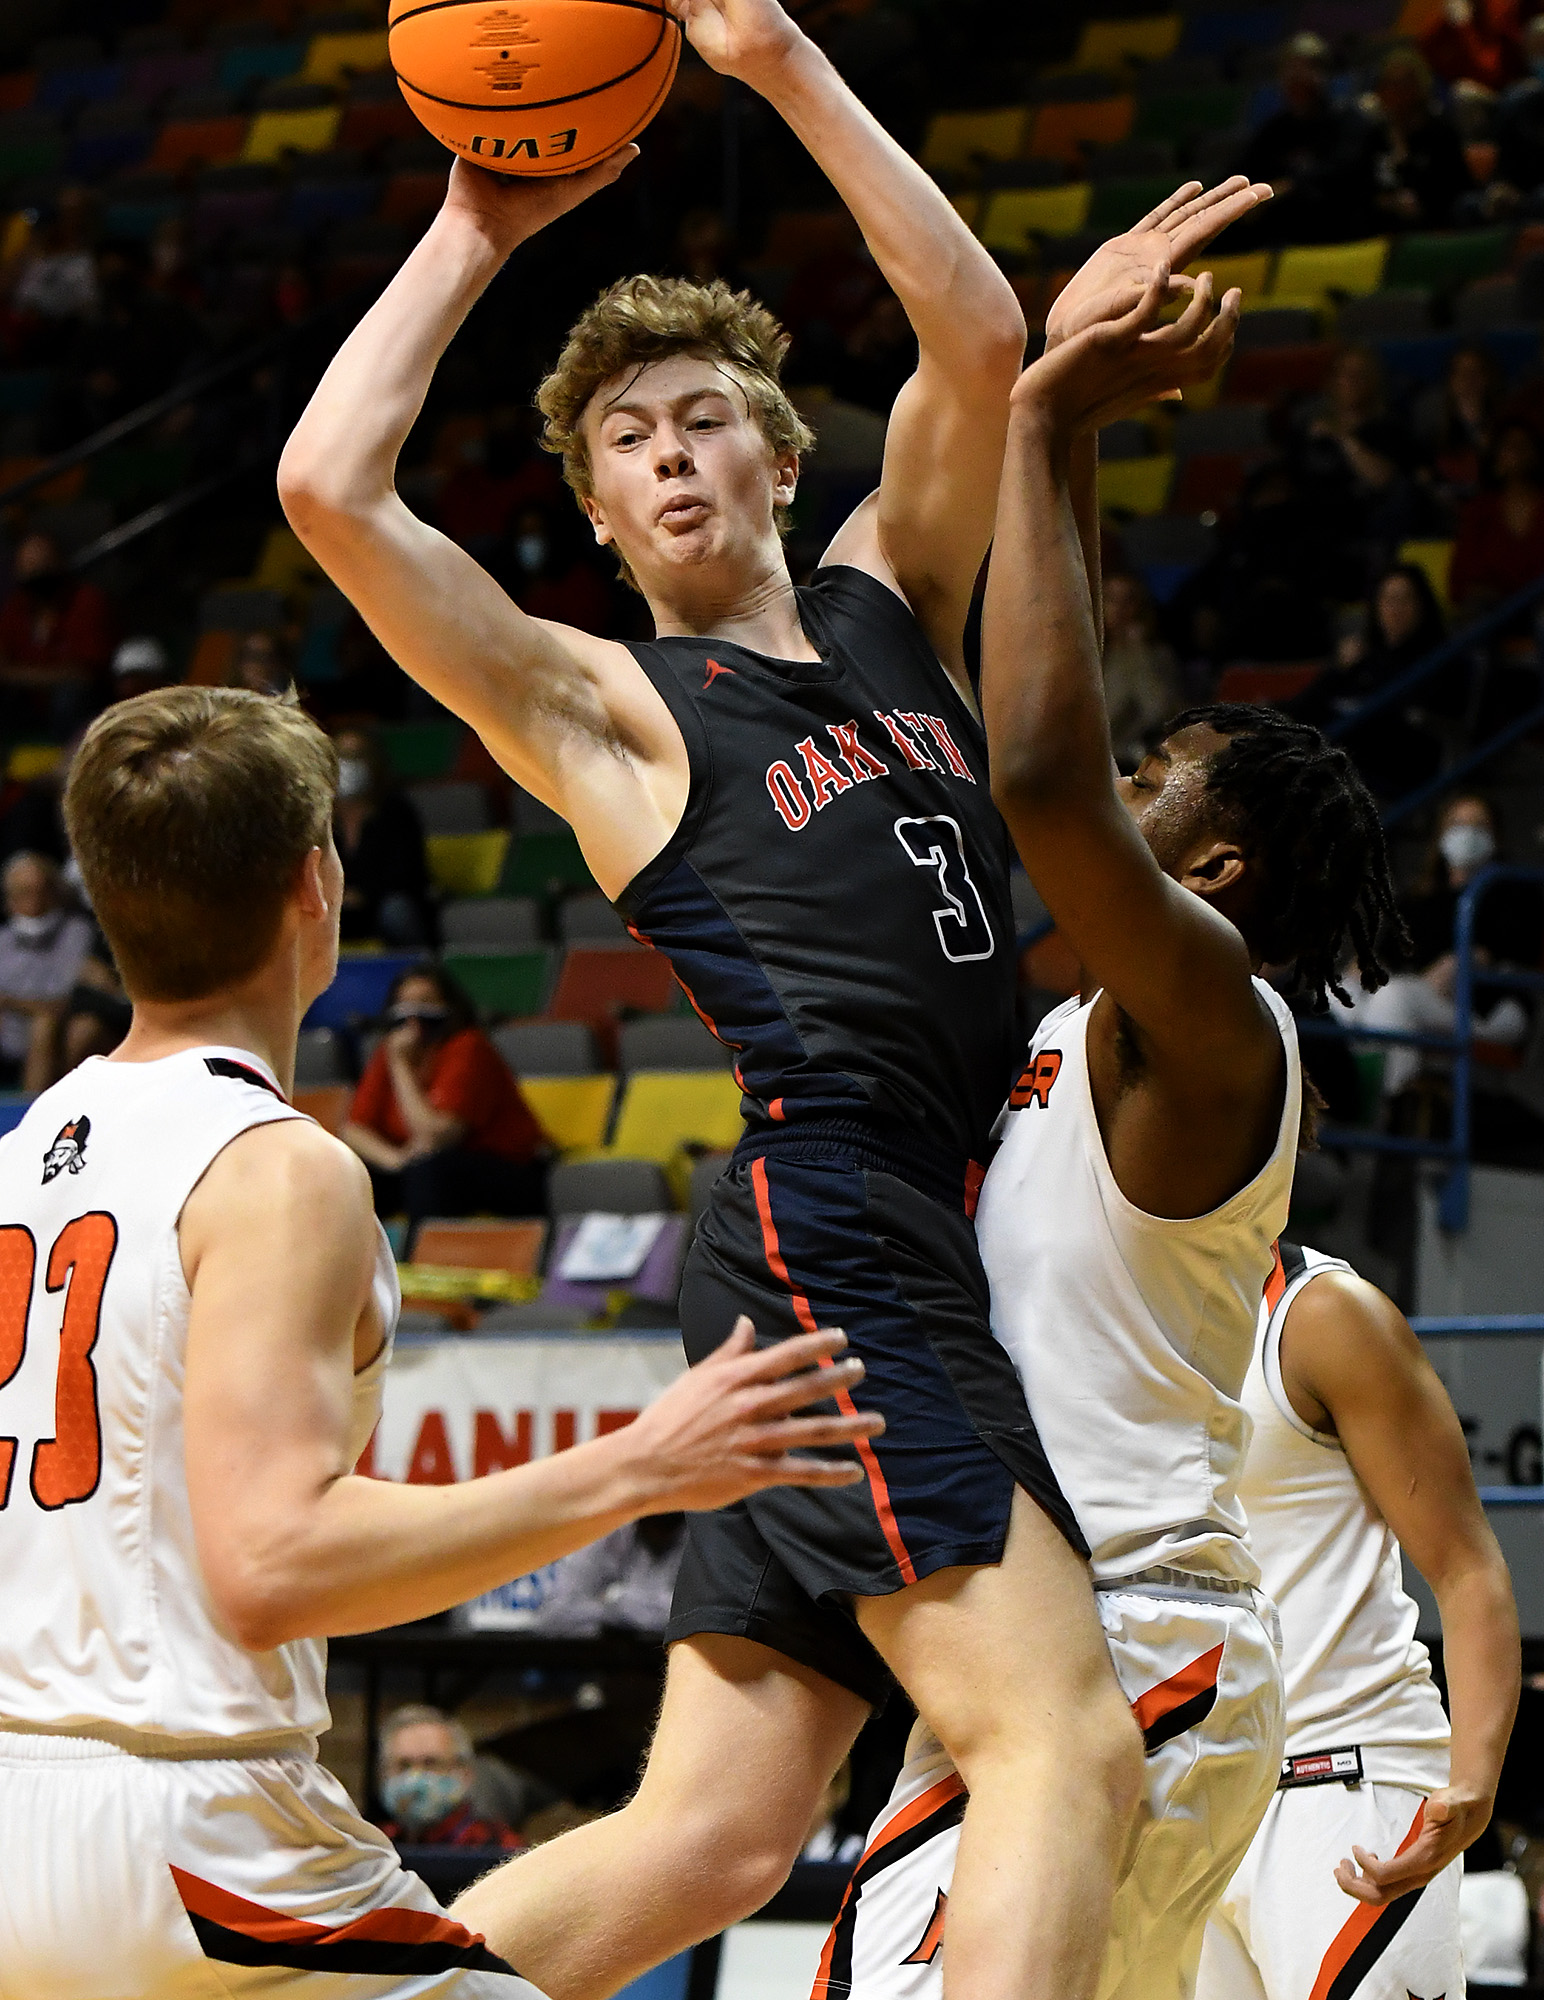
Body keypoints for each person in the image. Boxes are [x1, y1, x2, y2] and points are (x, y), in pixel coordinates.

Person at [276, 0, 1275, 1977]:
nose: (667, 451)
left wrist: (777, 57)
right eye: (624, 438)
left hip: (911, 1233)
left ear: (778, 454)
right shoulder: (610, 710)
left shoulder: (886, 592)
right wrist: (477, 225)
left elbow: (977, 340)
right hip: (836, 1232)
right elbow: (327, 488)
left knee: (714, 1837)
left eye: (701, 417)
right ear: (593, 508)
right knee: (1063, 1744)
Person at [0, 682, 881, 1996]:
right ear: (316, 883)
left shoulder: (24, 1155)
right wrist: (638, 1463)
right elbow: (273, 1562)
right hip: (183, 1833)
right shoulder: (275, 1167)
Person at [815, 276, 1412, 2000]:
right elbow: (1070, 735)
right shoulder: (1093, 1028)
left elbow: (1043, 774)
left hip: (1134, 1634)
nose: (1123, 778)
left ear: (1215, 874)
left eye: (1158, 776)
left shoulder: (1221, 1021)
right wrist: (1059, 412)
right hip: (1047, 1643)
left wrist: (1035, 419)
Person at [1197, 1242, 1519, 1999]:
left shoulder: (1323, 1313)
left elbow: (1467, 1567)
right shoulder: (1115, 1314)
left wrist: (1473, 1784)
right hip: (1190, 1805)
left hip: (1342, 1782)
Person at [343, 964, 550, 1236]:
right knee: (352, 1178)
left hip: (507, 1169)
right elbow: (354, 1130)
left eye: (426, 1002)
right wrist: (397, 1160)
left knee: (428, 1173)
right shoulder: (389, 1052)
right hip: (422, 1166)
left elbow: (436, 1138)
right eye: (405, 1004)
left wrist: (401, 1067)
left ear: (450, 1007)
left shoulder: (468, 1047)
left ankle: (426, 1259)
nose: (413, 1015)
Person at [1238, 33, 1378, 245]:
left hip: (1335, 231)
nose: (1297, 78)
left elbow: (1343, 173)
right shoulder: (1274, 129)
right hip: (1278, 235)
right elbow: (1244, 168)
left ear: (1324, 75)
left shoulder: (1347, 120)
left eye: (1306, 69)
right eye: (1290, 70)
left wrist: (1287, 187)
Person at [0, 529, 113, 735]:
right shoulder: (16, 609)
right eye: (29, 568)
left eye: (43, 565)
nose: (36, 574)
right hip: (28, 705)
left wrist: (18, 675)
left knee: (69, 696)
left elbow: (84, 674)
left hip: (83, 707)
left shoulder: (86, 602)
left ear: (59, 563)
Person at [0, 848, 94, 1092]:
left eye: (42, 891)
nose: (35, 902)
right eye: (24, 893)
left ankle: (30, 1109)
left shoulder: (77, 933)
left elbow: (62, 1000)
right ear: (9, 900)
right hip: (9, 1034)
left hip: (57, 1035)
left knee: (44, 1025)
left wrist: (10, 1001)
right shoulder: (3, 940)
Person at [333, 725, 435, 947]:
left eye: (356, 756)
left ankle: (417, 964)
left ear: (373, 762)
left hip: (382, 903)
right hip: (338, 907)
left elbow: (408, 873)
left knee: (396, 910)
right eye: (341, 755)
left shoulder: (396, 811)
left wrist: (364, 895)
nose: (347, 764)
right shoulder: (322, 816)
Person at [377, 1706, 526, 1854]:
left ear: (464, 1773)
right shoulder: (376, 1846)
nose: (414, 1777)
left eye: (430, 1763)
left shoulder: (500, 1845)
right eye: (404, 1765)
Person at [1367, 47, 1474, 230]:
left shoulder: (1440, 133)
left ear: (1421, 87)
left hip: (1435, 220)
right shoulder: (1375, 135)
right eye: (1390, 84)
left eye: (1404, 85)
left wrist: (1405, 161)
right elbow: (1364, 187)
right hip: (1383, 226)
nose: (1396, 93)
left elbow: (1454, 187)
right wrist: (1389, 201)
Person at [1450, 420, 1544, 612]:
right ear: (1496, 455)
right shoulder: (1479, 509)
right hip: (1492, 612)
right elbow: (1461, 577)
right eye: (1509, 446)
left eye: (1523, 445)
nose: (1516, 452)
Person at [1099, 571, 1183, 769]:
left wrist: (1138, 652)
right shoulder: (1091, 655)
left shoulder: (1158, 655)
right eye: (1111, 599)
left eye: (1128, 600)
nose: (1119, 609)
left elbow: (1156, 710)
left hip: (1133, 759)